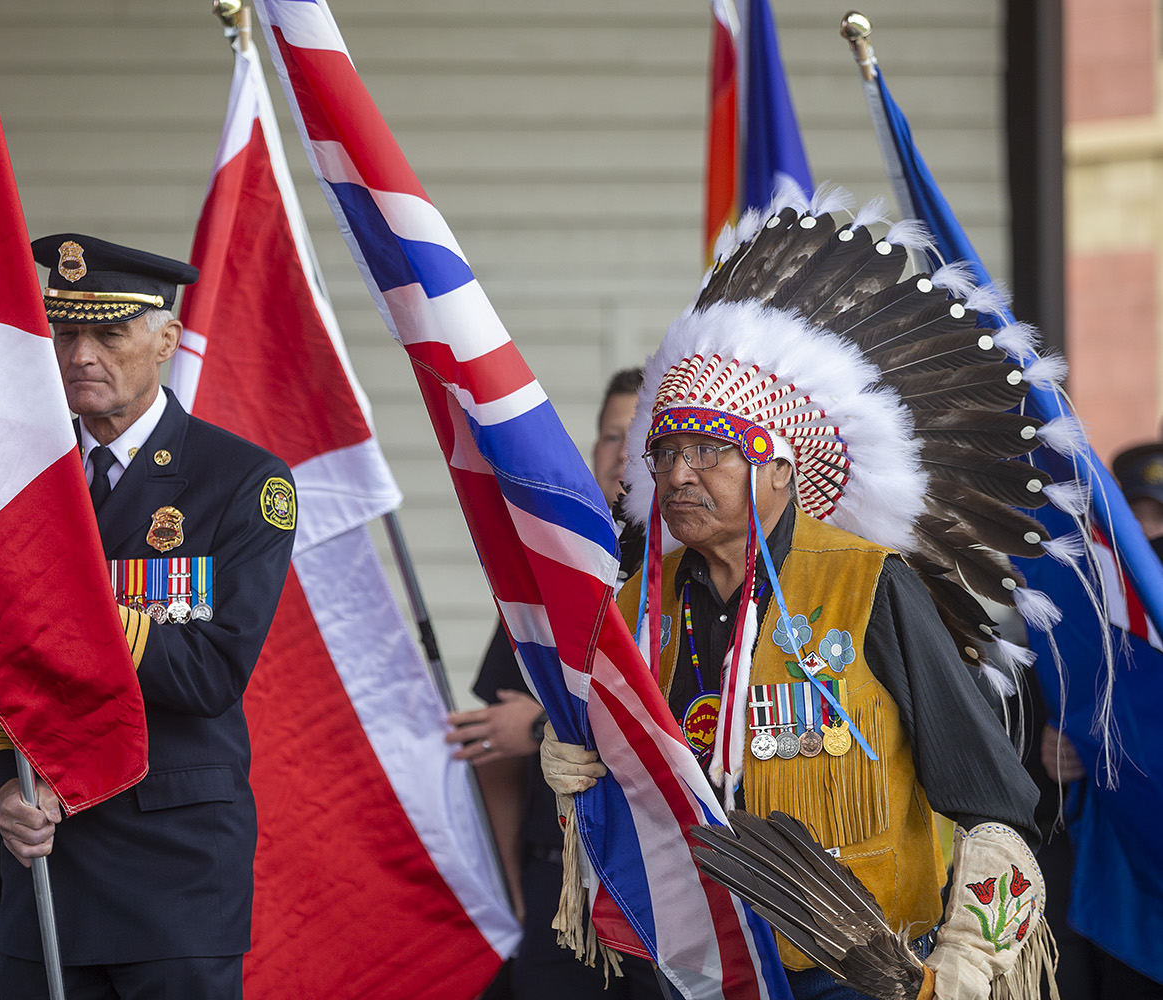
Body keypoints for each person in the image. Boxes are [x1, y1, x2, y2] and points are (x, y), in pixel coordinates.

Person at [540, 192, 1059, 1000]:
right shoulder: (639, 606)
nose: (678, 473)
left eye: (711, 449)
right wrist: (577, 760)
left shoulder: (868, 584)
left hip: (863, 972)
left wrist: (965, 965)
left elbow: (998, 806)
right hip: (698, 963)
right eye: (665, 450)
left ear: (780, 466)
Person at [0, 233, 296, 1000]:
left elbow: (210, 674)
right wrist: (1, 788)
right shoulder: (13, 485)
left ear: (165, 340)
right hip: (48, 859)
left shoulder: (241, 481)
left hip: (173, 872)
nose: (80, 355)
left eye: (108, 333)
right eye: (65, 333)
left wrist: (74, 598)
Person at [449, 369, 661, 1000]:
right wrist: (513, 886)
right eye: (609, 436)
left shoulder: (692, 577)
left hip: (663, 890)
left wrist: (540, 728)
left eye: (639, 438)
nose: (621, 454)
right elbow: (494, 741)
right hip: (557, 894)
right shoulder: (546, 571)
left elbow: (668, 728)